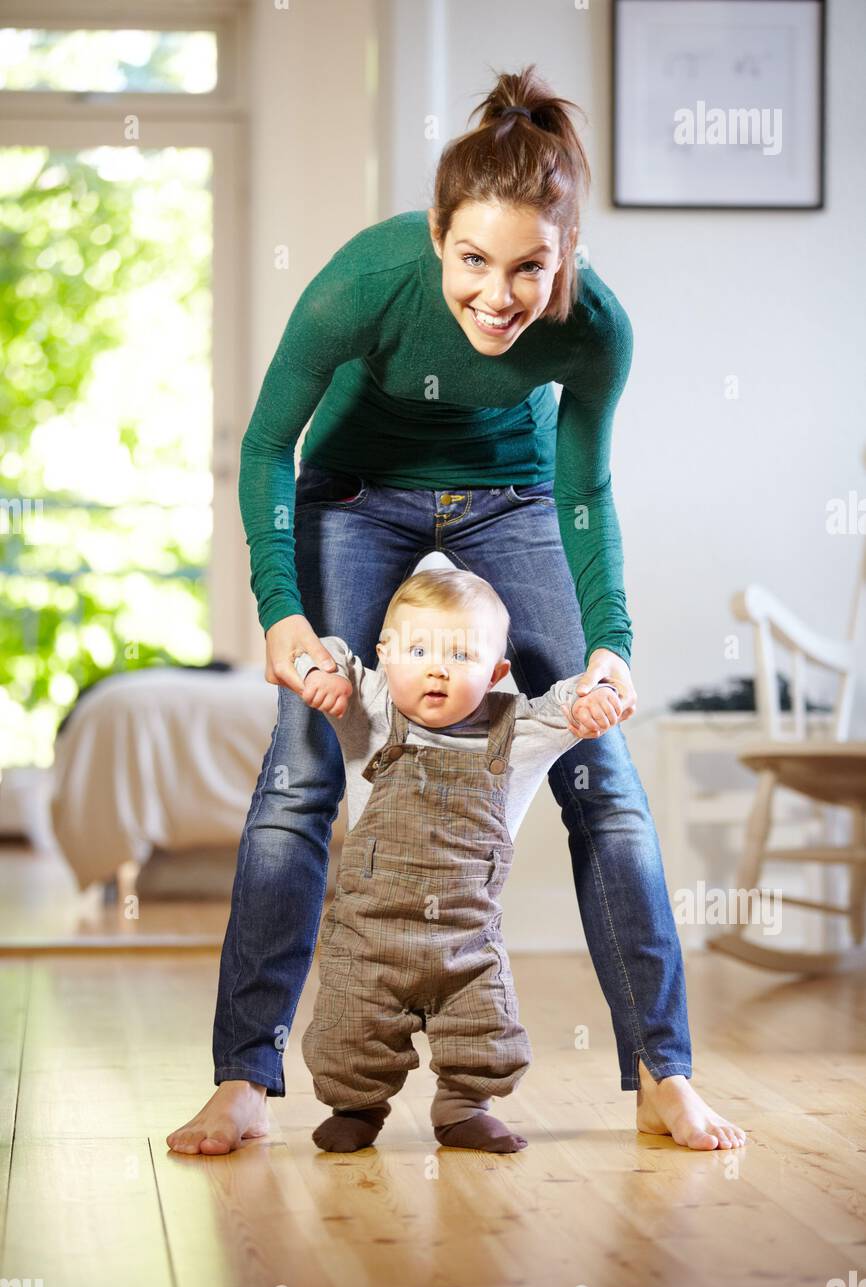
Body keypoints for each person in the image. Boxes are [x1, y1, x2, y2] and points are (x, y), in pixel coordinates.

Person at [167, 63, 746, 1156]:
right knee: (302, 767)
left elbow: (583, 490)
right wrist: (282, 611)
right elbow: (263, 449)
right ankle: (244, 1077)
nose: (495, 294)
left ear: (565, 254)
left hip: (512, 502)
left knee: (598, 770)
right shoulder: (363, 282)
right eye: (471, 260)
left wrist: (610, 642)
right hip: (353, 495)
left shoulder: (594, 330)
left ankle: (660, 1072)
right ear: (436, 235)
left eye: (528, 266)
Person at [295, 568, 624, 1154]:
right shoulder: (367, 712)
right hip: (369, 938)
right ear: (386, 655)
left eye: (461, 654)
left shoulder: (516, 729)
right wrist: (318, 673)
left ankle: (464, 1105)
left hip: (467, 942)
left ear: (497, 673)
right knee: (350, 1028)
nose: (436, 667)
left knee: (484, 1029)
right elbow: (328, 655)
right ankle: (357, 1106)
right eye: (417, 650)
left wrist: (595, 698)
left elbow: (567, 699)